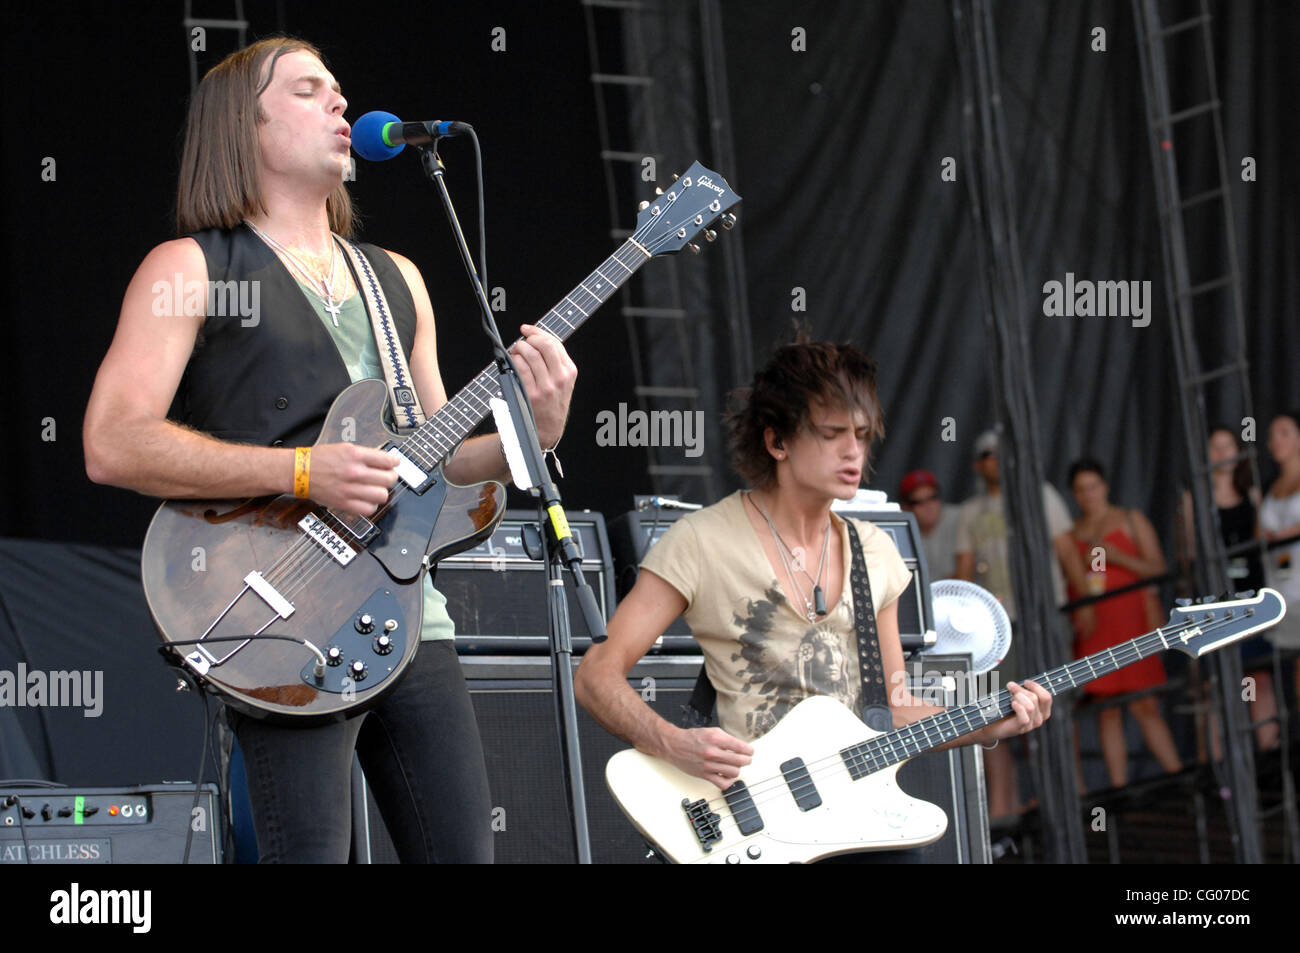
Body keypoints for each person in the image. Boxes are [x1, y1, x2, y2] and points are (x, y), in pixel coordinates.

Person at [82, 37, 577, 862]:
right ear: (246, 128)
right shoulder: (191, 267)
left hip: (411, 610)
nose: (341, 106)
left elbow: (429, 461)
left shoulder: (396, 279)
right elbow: (111, 442)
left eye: (340, 93)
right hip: (280, 607)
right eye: (311, 91)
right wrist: (302, 471)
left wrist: (538, 433)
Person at [574, 333, 1052, 857]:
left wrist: (987, 722)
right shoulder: (699, 541)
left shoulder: (875, 552)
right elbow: (596, 673)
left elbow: (890, 710)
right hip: (753, 826)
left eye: (863, 435)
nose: (854, 451)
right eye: (831, 434)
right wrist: (671, 742)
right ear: (777, 442)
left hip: (866, 823)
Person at [953, 429, 1092, 818]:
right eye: (985, 455)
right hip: (994, 630)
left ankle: (1072, 794)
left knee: (1056, 704)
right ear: (978, 464)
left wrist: (1084, 603)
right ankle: (1004, 808)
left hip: (1045, 617)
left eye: (999, 453)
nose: (992, 460)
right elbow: (963, 574)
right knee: (998, 713)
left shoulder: (1041, 495)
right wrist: (959, 624)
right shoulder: (970, 512)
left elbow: (1066, 552)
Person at [1067, 459, 1182, 788]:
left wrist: (1118, 557)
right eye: (1081, 489)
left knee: (1146, 704)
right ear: (1075, 495)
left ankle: (1178, 779)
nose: (1088, 494)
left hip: (1133, 626)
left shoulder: (1131, 519)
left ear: (1104, 486)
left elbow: (1159, 568)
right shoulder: (1072, 534)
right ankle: (1119, 791)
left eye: (1093, 486)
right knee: (1108, 709)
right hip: (1096, 629)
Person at [1176, 426, 1276, 753]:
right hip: (1213, 600)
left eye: (1227, 447)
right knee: (1215, 684)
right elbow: (1187, 554)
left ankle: (1268, 754)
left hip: (1252, 596)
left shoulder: (1253, 496)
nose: (1221, 454)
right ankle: (1218, 766)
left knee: (1257, 677)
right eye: (1214, 448)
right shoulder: (1194, 500)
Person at [1259, 411, 1300, 704]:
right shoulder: (1269, 486)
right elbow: (1258, 534)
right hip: (1280, 587)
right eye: (1272, 435)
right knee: (1291, 673)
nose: (1276, 441)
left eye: (1285, 433)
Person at [898, 469, 960, 579]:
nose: (928, 506)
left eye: (932, 498)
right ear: (906, 508)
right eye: (918, 502)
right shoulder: (902, 533)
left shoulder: (960, 519)